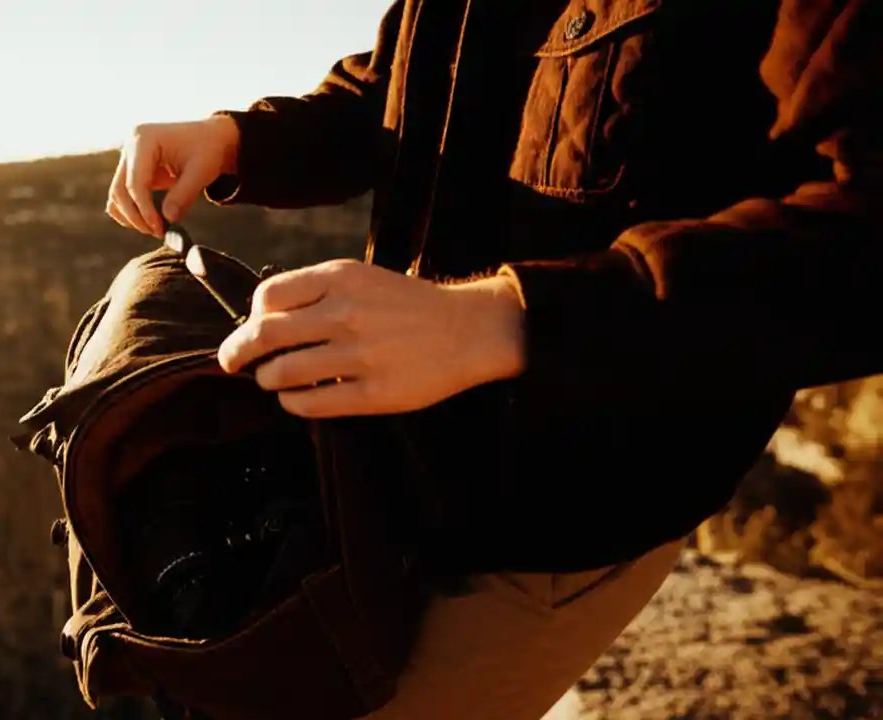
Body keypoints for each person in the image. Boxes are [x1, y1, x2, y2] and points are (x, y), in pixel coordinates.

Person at [104, 1, 881, 717]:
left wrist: (506, 321)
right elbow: (395, 90)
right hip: (405, 456)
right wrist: (240, 140)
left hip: (572, 495)